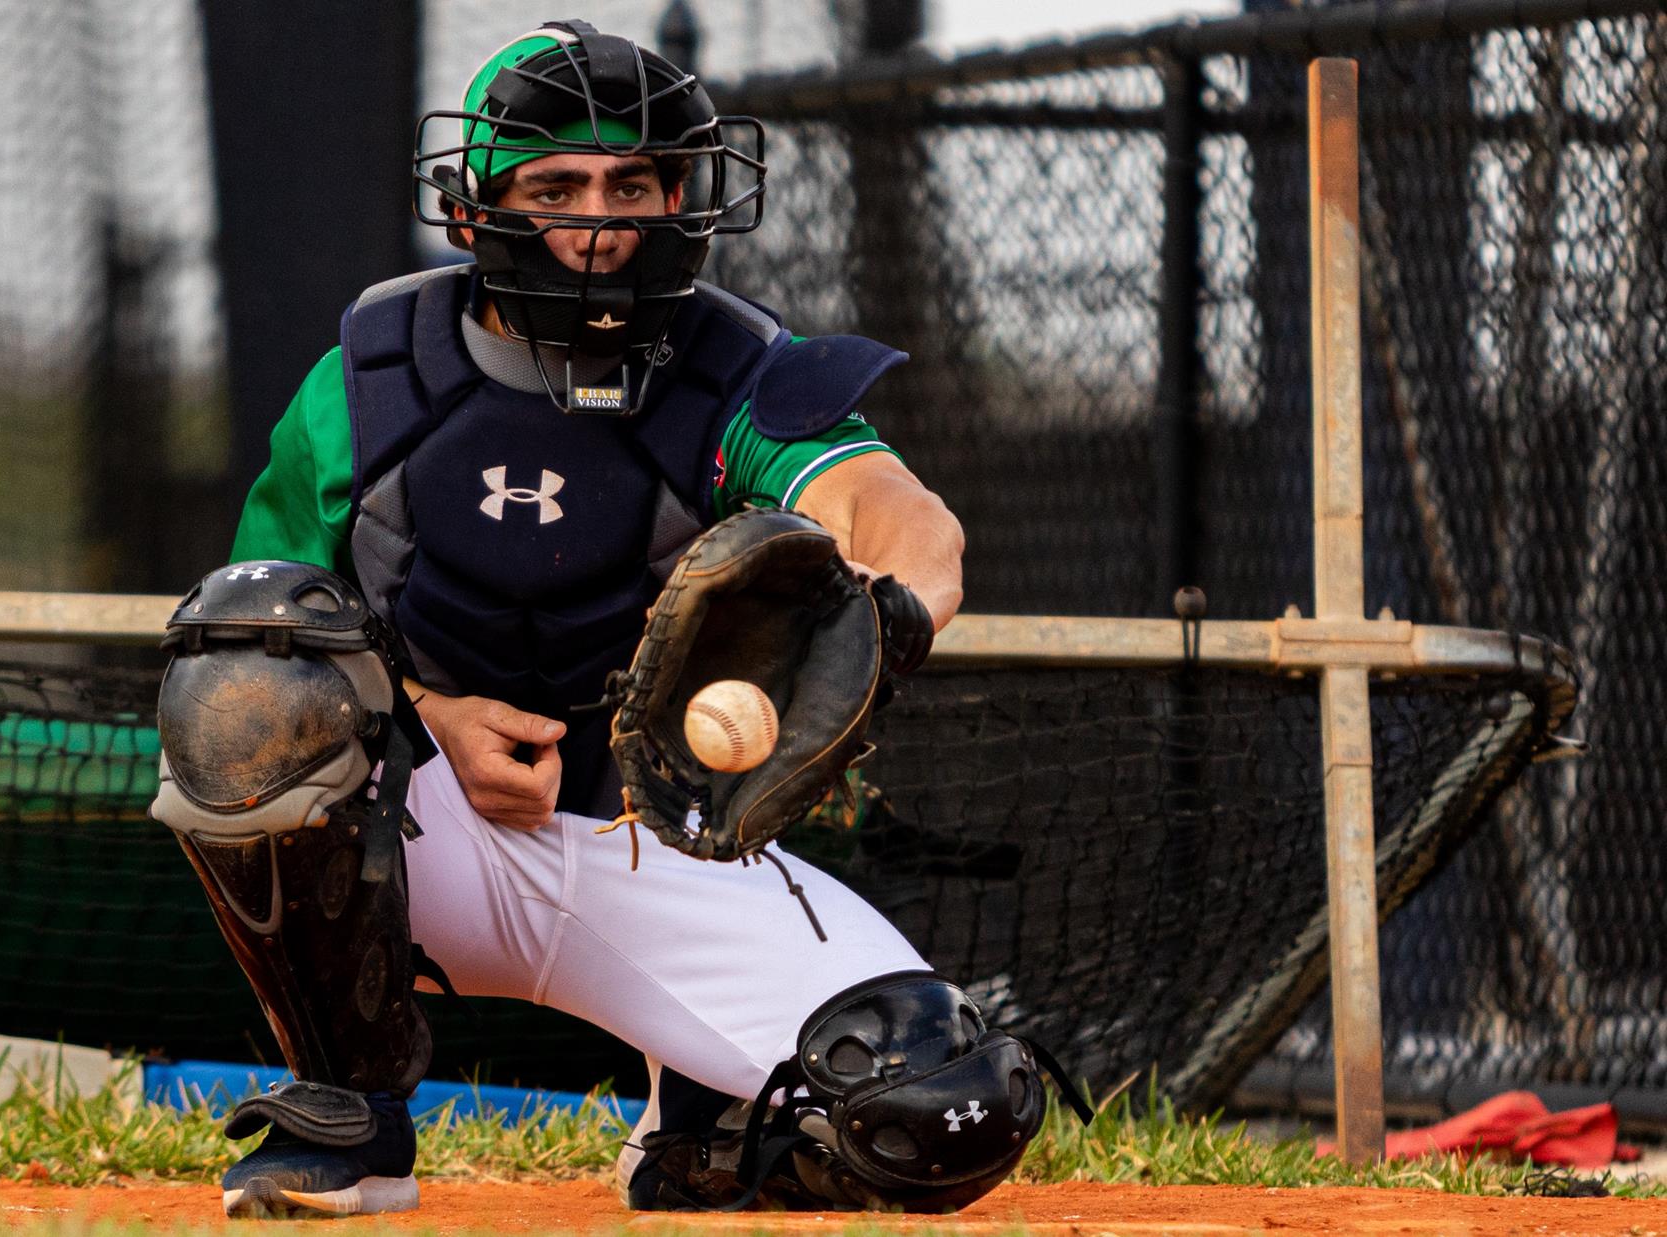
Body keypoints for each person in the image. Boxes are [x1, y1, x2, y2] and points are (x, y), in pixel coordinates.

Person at [150, 20, 1065, 1219]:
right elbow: (250, 639)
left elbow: (899, 516)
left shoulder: (736, 369)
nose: (599, 218)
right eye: (556, 186)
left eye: (631, 183)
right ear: (474, 209)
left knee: (939, 1113)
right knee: (244, 672)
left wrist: (883, 613)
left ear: (679, 195)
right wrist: (429, 715)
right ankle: (348, 1114)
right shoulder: (371, 375)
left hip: (655, 839)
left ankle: (703, 1127)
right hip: (417, 839)